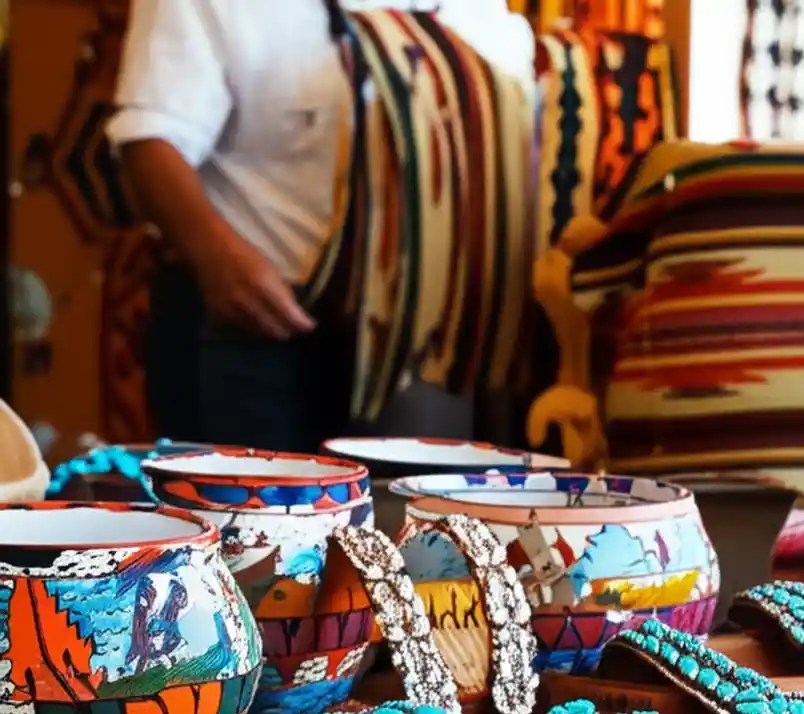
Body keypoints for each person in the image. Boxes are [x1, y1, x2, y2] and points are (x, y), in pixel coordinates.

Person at [108, 0, 533, 452]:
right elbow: (150, 140)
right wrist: (214, 255)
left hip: (422, 342)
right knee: (258, 515)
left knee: (416, 512)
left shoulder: (478, 10)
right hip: (262, 328)